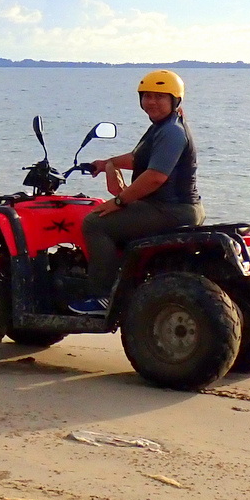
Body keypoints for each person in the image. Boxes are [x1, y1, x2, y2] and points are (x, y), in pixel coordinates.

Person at [68, 69, 204, 316]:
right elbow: (139, 158)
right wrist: (107, 162)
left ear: (175, 100)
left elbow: (155, 177)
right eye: (147, 96)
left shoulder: (171, 131)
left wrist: (119, 201)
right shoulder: (163, 127)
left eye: (160, 96)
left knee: (94, 223)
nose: (152, 102)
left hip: (169, 209)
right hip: (175, 208)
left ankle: (103, 297)